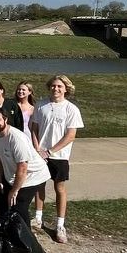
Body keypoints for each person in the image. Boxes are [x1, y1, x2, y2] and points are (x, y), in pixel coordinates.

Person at [30, 75, 84, 243]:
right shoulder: (41, 105)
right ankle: (38, 218)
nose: (56, 89)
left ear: (66, 89)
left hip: (59, 156)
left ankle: (60, 225)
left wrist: (50, 151)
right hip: (40, 154)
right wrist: (37, 149)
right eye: (53, 85)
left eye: (60, 86)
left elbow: (70, 135)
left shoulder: (71, 109)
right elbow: (34, 128)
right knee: (39, 185)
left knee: (59, 188)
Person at [0, 106, 51, 223]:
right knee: (1, 199)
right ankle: (4, 229)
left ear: (5, 119)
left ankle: (24, 233)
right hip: (13, 174)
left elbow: (23, 167)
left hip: (33, 175)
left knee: (17, 206)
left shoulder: (16, 138)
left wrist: (14, 190)